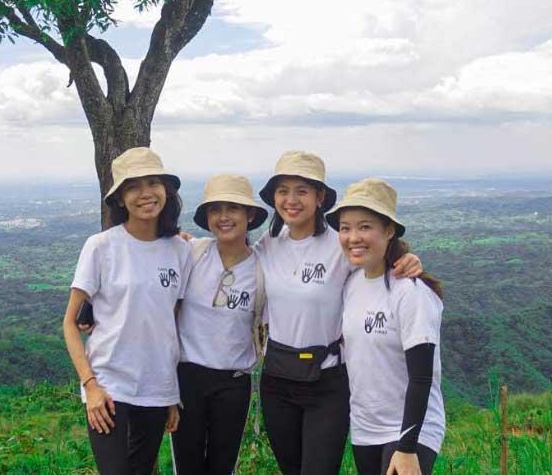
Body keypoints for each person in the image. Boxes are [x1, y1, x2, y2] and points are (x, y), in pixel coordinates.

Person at [254, 151, 423, 475]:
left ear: (319, 197)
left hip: (327, 380)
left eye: (302, 190)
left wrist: (409, 259)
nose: (291, 200)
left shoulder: (340, 243)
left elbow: (375, 263)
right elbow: (232, 258)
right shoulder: (268, 244)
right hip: (276, 379)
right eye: (283, 190)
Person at [62, 147, 192, 475]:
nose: (145, 193)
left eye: (153, 183)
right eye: (133, 186)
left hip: (156, 386)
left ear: (167, 191)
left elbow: (170, 323)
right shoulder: (101, 246)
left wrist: (171, 393)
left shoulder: (180, 249)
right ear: (119, 199)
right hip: (108, 386)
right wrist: (90, 385)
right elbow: (69, 324)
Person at [326, 178, 445, 475]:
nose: (354, 237)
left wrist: (407, 447)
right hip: (366, 429)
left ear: (389, 230)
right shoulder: (352, 283)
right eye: (345, 227)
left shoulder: (411, 293)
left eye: (365, 227)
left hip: (409, 432)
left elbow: (421, 377)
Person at [171, 173, 269, 475]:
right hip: (187, 378)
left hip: (233, 382)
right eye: (215, 209)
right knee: (187, 466)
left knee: (222, 466)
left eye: (233, 208)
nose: (224, 217)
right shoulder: (191, 253)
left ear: (249, 215)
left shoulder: (262, 269)